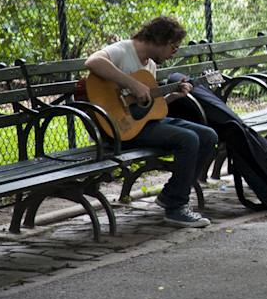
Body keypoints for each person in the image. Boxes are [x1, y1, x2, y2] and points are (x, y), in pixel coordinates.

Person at [85, 16, 217, 227]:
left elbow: (147, 108)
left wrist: (173, 96)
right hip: (117, 129)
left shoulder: (151, 65)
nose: (175, 52)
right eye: (173, 47)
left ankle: (170, 195)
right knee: (188, 139)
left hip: (140, 125)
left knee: (208, 136)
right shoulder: (123, 50)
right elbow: (93, 62)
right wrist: (132, 84)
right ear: (160, 40)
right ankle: (176, 207)